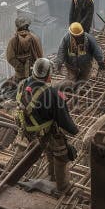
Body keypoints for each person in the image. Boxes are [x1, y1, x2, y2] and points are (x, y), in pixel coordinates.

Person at [15, 58, 78, 193]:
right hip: (45, 132)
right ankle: (63, 187)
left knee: (48, 149)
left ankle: (51, 176)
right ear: (48, 75)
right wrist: (74, 130)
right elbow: (64, 121)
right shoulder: (51, 94)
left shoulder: (22, 84)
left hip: (27, 130)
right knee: (61, 156)